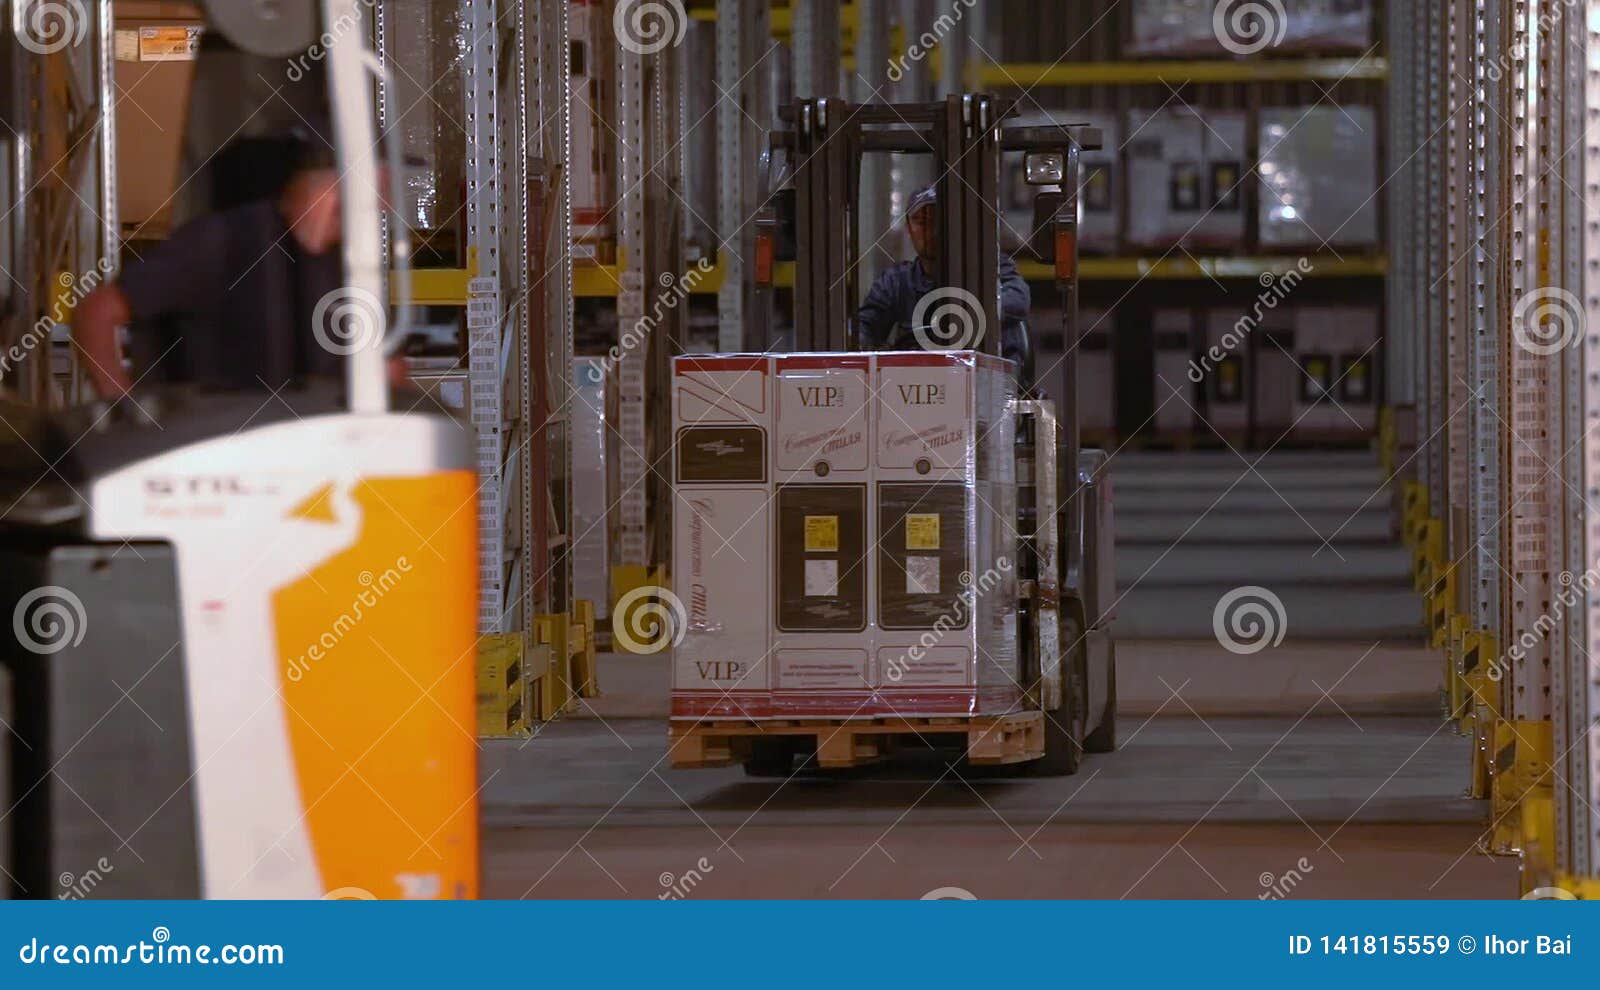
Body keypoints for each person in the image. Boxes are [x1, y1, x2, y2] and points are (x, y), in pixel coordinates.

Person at [72, 119, 403, 402]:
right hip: (213, 459)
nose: (383, 205)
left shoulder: (347, 264)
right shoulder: (223, 241)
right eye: (379, 187)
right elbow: (96, 314)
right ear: (334, 182)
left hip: (307, 459)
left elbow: (384, 367)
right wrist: (127, 412)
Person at [854, 183, 1033, 379]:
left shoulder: (990, 267)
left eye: (937, 221)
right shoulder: (896, 282)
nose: (929, 231)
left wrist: (968, 313)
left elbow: (1018, 298)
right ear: (908, 228)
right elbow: (865, 328)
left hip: (985, 385)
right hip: (918, 390)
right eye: (921, 222)